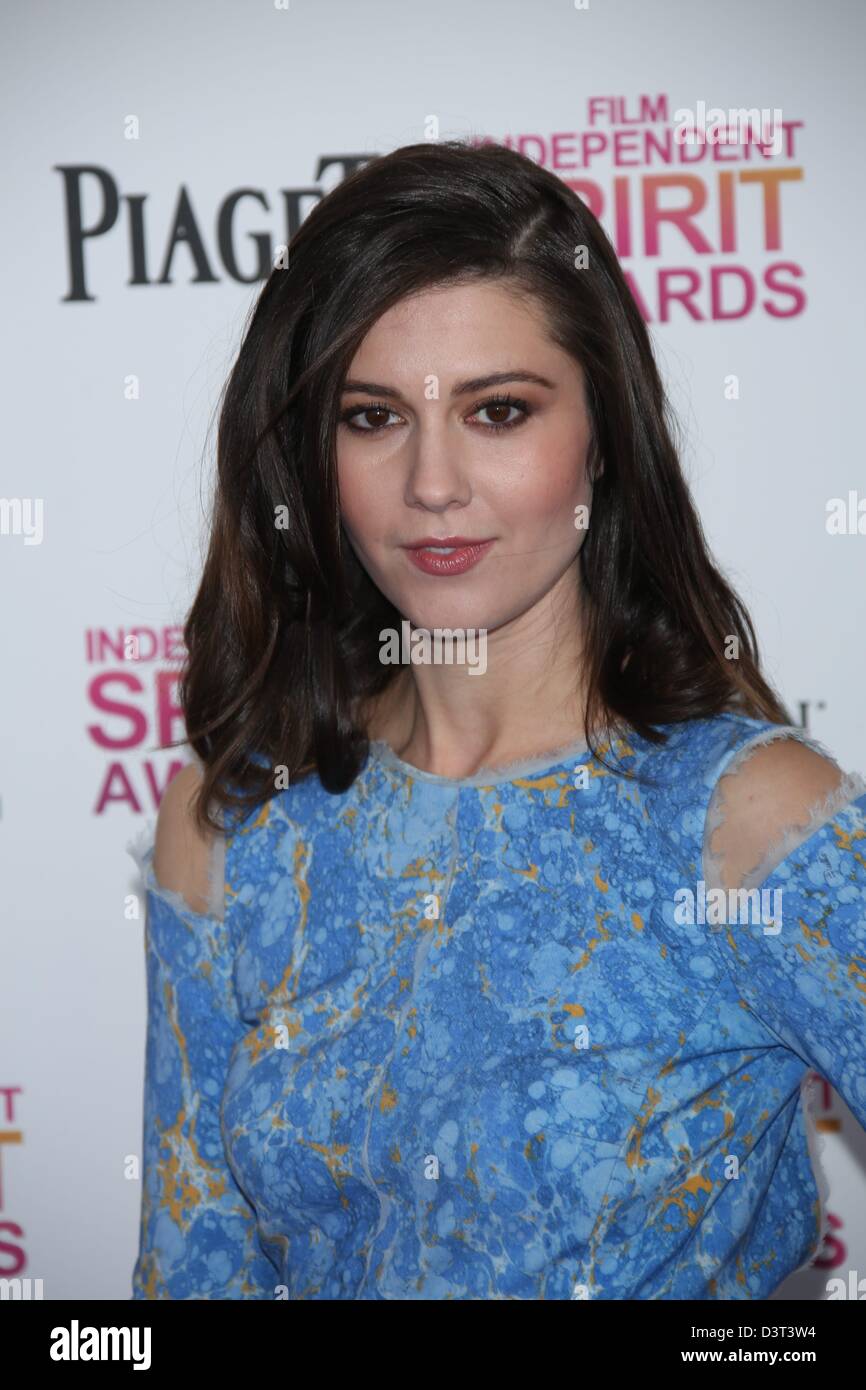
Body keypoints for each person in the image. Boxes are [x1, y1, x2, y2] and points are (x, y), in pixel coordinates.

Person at [127, 139, 866, 1300]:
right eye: (370, 417)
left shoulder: (747, 828)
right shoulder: (234, 823)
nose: (432, 484)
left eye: (499, 410)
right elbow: (189, 1275)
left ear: (603, 435)